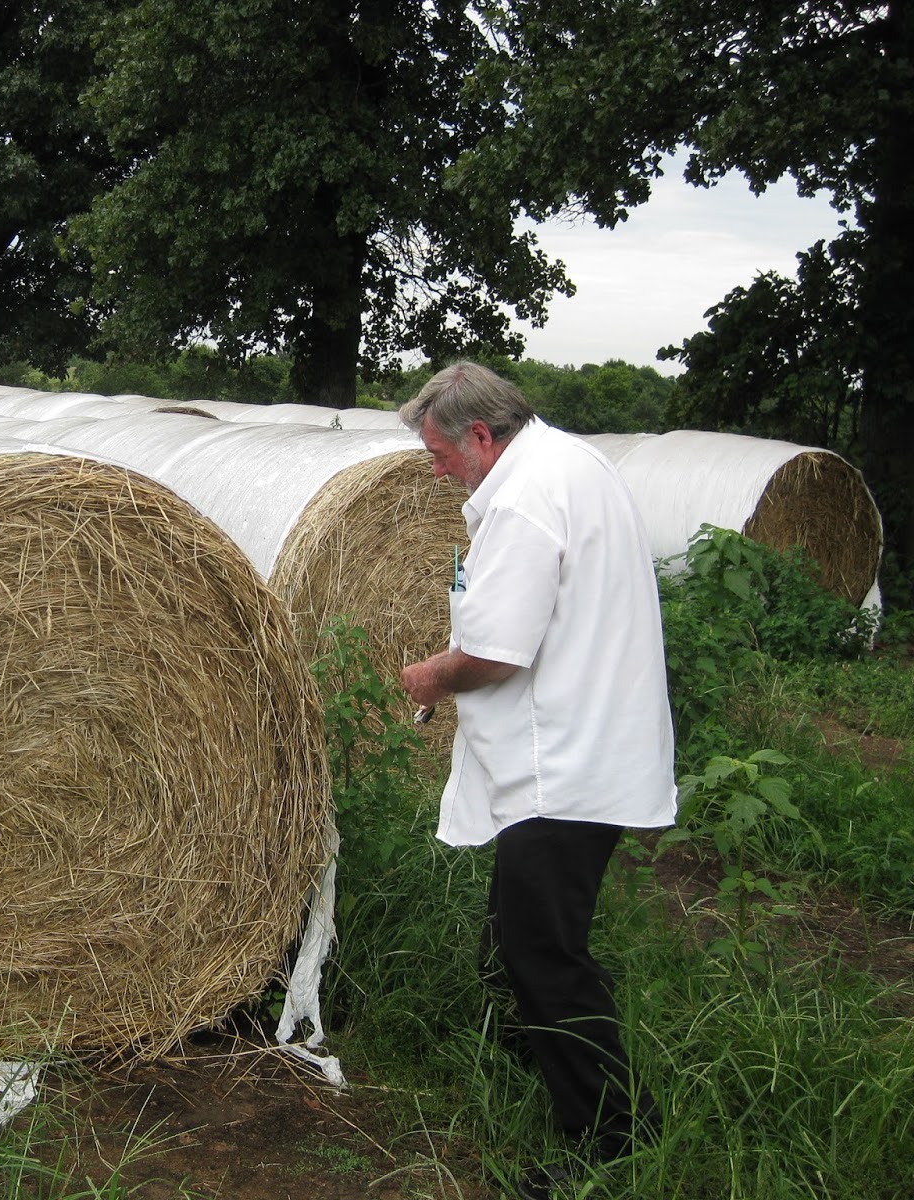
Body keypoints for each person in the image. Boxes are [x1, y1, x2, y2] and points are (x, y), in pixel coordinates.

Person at [397, 362, 677, 1200]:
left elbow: (495, 653)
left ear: (480, 435)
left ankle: (612, 1139)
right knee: (519, 938)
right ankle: (541, 1063)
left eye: (439, 451)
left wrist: (432, 676)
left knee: (543, 951)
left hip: (564, 760)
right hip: (594, 740)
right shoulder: (572, 462)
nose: (436, 468)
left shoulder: (521, 501)